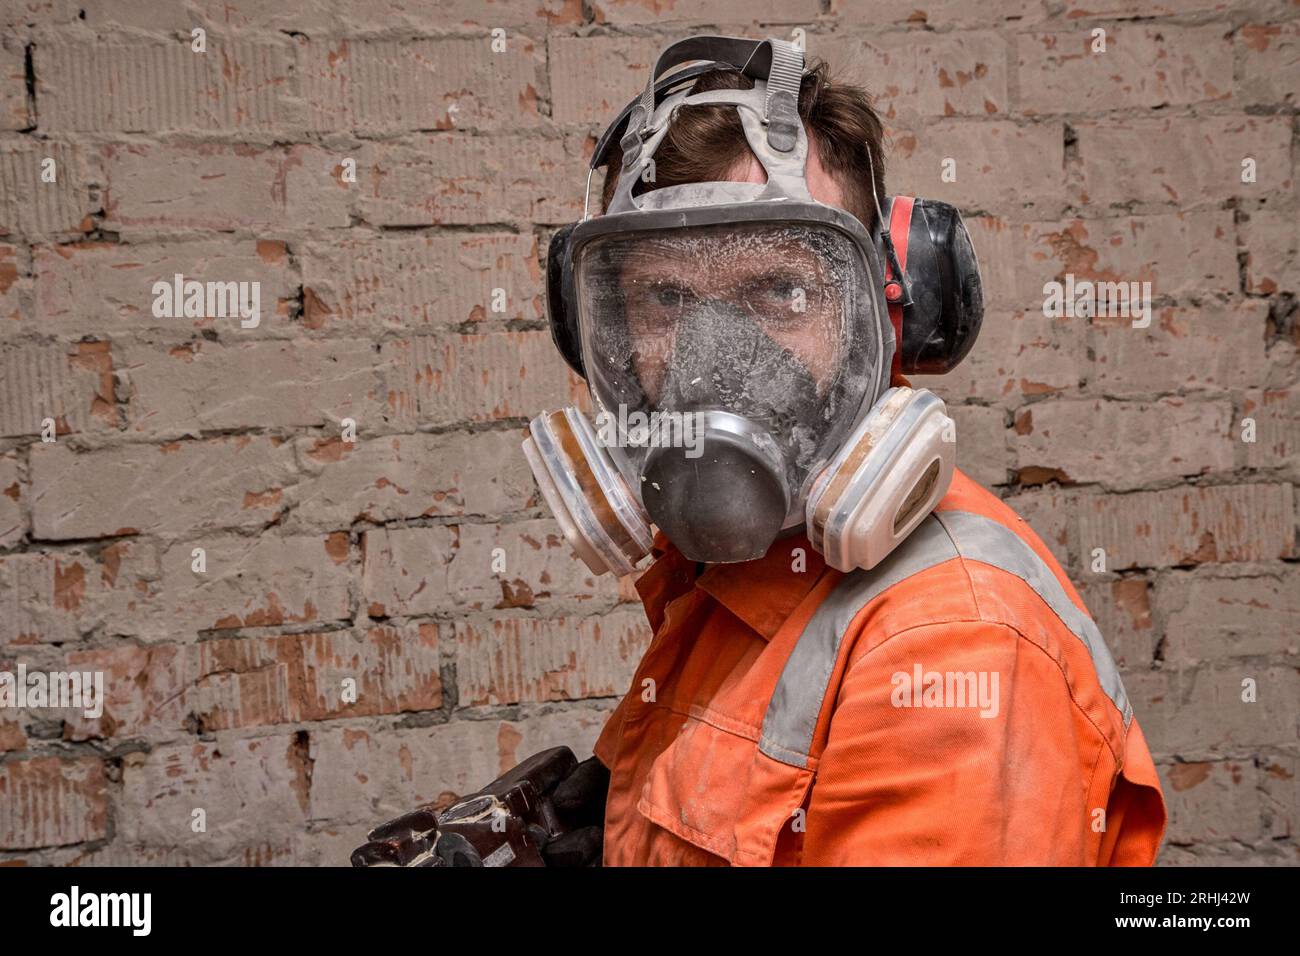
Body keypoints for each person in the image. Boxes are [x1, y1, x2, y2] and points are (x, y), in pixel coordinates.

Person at [355, 35, 1167, 868]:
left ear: (894, 313)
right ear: (600, 331)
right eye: (665, 297)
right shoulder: (744, 583)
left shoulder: (947, 646)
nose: (718, 355)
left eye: (779, 289)